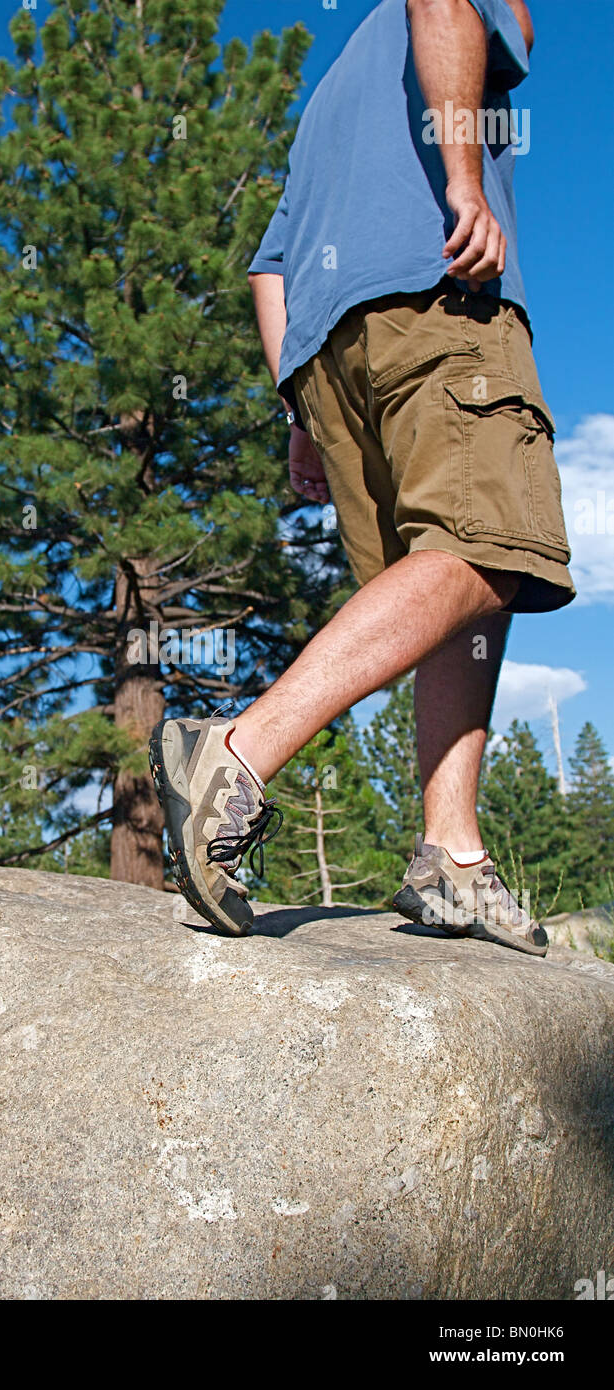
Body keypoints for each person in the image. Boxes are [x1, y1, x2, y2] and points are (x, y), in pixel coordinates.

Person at [149, 0, 573, 956]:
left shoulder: (330, 95)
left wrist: (299, 408)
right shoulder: (459, 17)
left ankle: (450, 856)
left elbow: (269, 267)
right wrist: (465, 181)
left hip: (332, 354)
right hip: (438, 302)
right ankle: (236, 754)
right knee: (486, 546)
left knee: (447, 598)